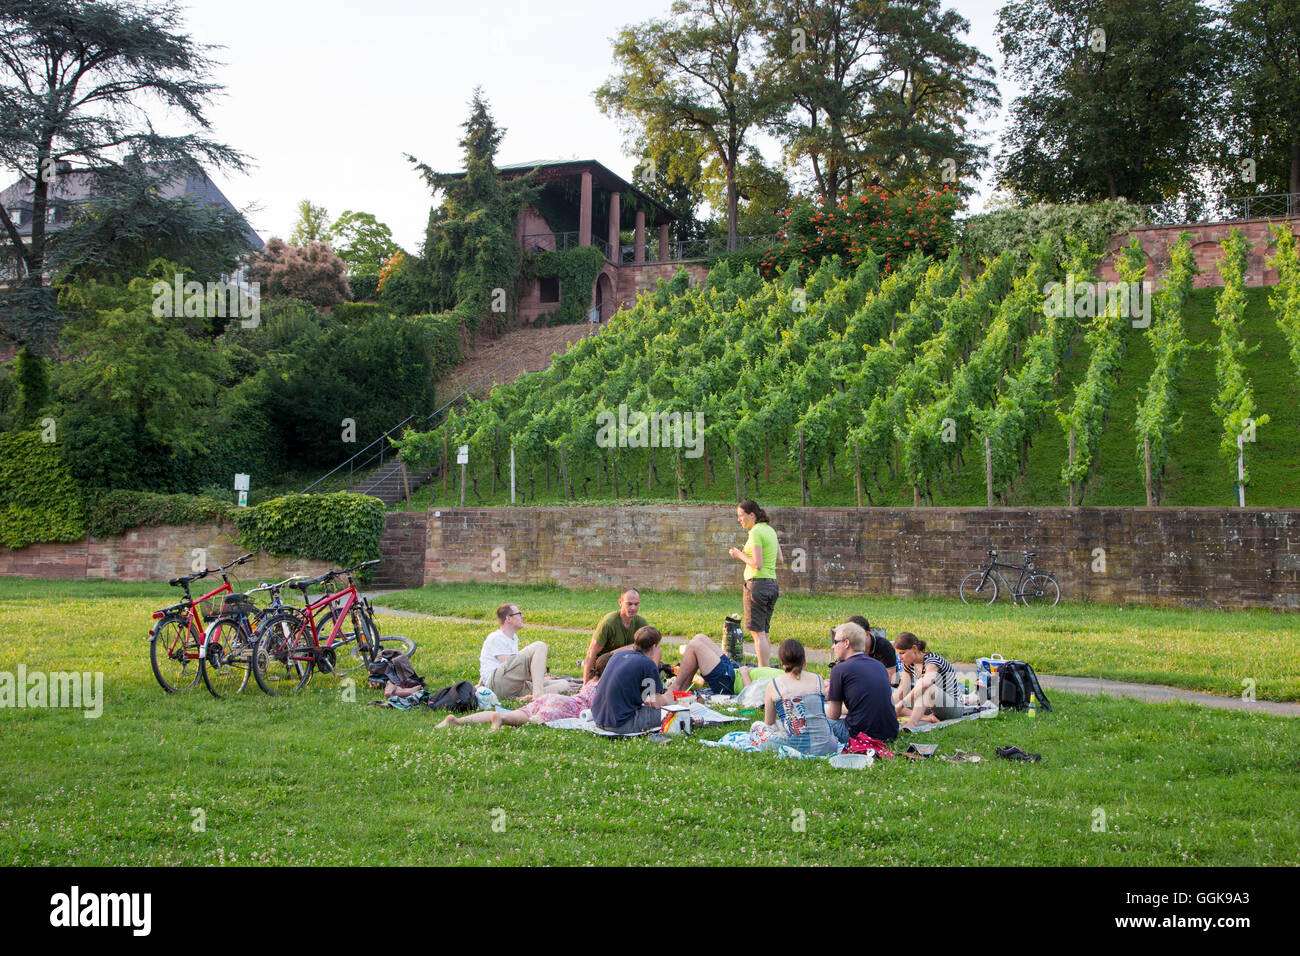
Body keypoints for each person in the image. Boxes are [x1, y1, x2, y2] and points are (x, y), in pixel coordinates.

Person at [437, 656, 609, 732]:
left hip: (552, 699)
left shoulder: (591, 681)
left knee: (514, 714)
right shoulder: (606, 685)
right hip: (566, 706)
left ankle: (457, 721)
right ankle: (501, 720)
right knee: (527, 721)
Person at [589, 626, 683, 734]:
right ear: (653, 647)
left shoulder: (618, 655)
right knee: (674, 711)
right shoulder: (648, 664)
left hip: (598, 718)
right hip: (621, 724)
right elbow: (654, 703)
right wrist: (667, 697)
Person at [760, 639, 841, 756]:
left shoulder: (774, 684)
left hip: (797, 747)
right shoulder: (818, 679)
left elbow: (769, 722)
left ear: (782, 662)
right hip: (828, 746)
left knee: (757, 727)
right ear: (803, 659)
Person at [478, 603, 571, 701]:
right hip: (497, 685)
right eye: (519, 614)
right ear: (508, 618)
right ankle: (538, 694)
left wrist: (538, 678)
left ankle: (526, 698)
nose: (523, 616)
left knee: (564, 684)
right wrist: (534, 673)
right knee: (539, 646)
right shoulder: (496, 637)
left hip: (510, 685)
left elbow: (496, 665)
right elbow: (506, 664)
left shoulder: (513, 638)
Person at [826, 622, 899, 743]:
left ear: (847, 643)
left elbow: (834, 714)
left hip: (859, 735)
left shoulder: (839, 669)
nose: (833, 647)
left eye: (836, 642)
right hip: (890, 732)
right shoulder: (879, 665)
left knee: (816, 722)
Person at [728, 499, 781, 666]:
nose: (739, 519)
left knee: (757, 633)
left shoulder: (756, 532)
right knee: (764, 632)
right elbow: (780, 557)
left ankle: (762, 669)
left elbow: (757, 564)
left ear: (752, 515)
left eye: (741, 516)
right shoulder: (770, 530)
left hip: (757, 586)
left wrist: (738, 554)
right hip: (771, 584)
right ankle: (765, 667)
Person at [893, 632, 966, 728]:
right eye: (898, 654)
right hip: (929, 707)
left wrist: (902, 704)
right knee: (890, 699)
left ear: (914, 648)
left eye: (902, 653)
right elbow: (901, 692)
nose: (900, 658)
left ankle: (912, 723)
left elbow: (927, 683)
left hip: (953, 707)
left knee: (926, 686)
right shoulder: (908, 665)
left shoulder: (932, 659)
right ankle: (927, 718)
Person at [582, 587, 649, 681]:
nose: (633, 608)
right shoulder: (608, 622)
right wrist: (585, 683)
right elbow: (591, 653)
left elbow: (652, 648)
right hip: (606, 666)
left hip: (628, 663)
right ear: (620, 602)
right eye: (629, 604)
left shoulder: (641, 623)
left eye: (636, 604)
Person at [667, 633, 758, 696]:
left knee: (694, 645)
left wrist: (744, 674)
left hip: (729, 681)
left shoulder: (772, 686)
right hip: (733, 668)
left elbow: (752, 696)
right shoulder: (772, 675)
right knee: (700, 637)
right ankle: (683, 687)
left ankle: (675, 688)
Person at [847, 614, 899, 679]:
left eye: (856, 636)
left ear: (867, 634)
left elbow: (891, 677)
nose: (852, 640)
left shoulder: (884, 646)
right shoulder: (848, 647)